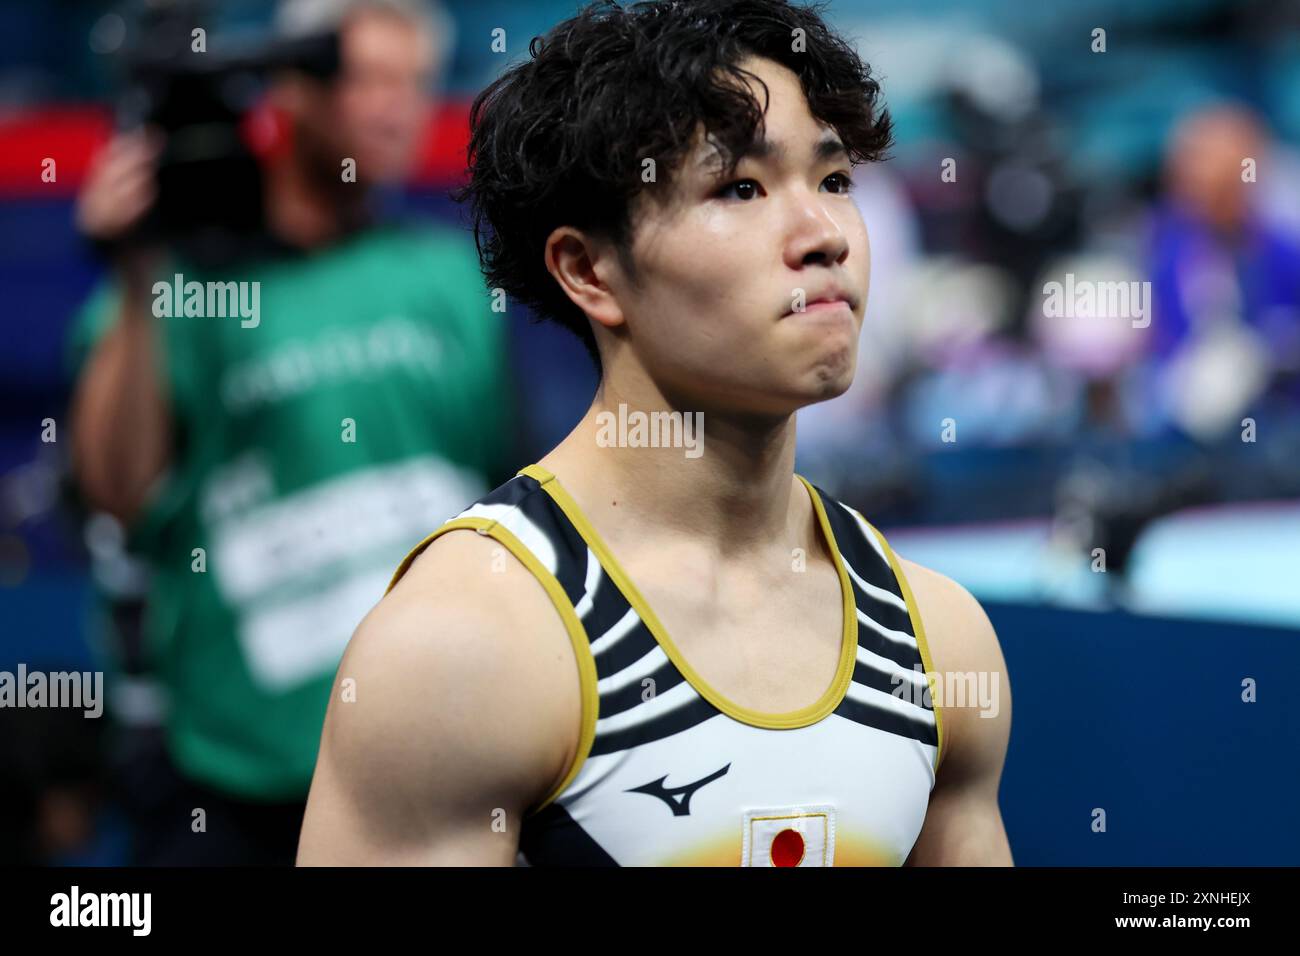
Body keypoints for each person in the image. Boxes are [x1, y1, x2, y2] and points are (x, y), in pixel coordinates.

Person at [298, 0, 1013, 866]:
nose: (825, 237)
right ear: (589, 269)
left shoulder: (939, 640)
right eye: (739, 189)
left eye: (834, 181)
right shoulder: (463, 646)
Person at [68, 0, 513, 865]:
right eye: (366, 78)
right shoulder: (177, 287)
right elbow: (117, 494)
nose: (396, 106)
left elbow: (503, 494)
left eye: (414, 81)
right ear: (293, 90)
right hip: (236, 784)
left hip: (434, 766)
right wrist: (133, 276)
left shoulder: (447, 276)